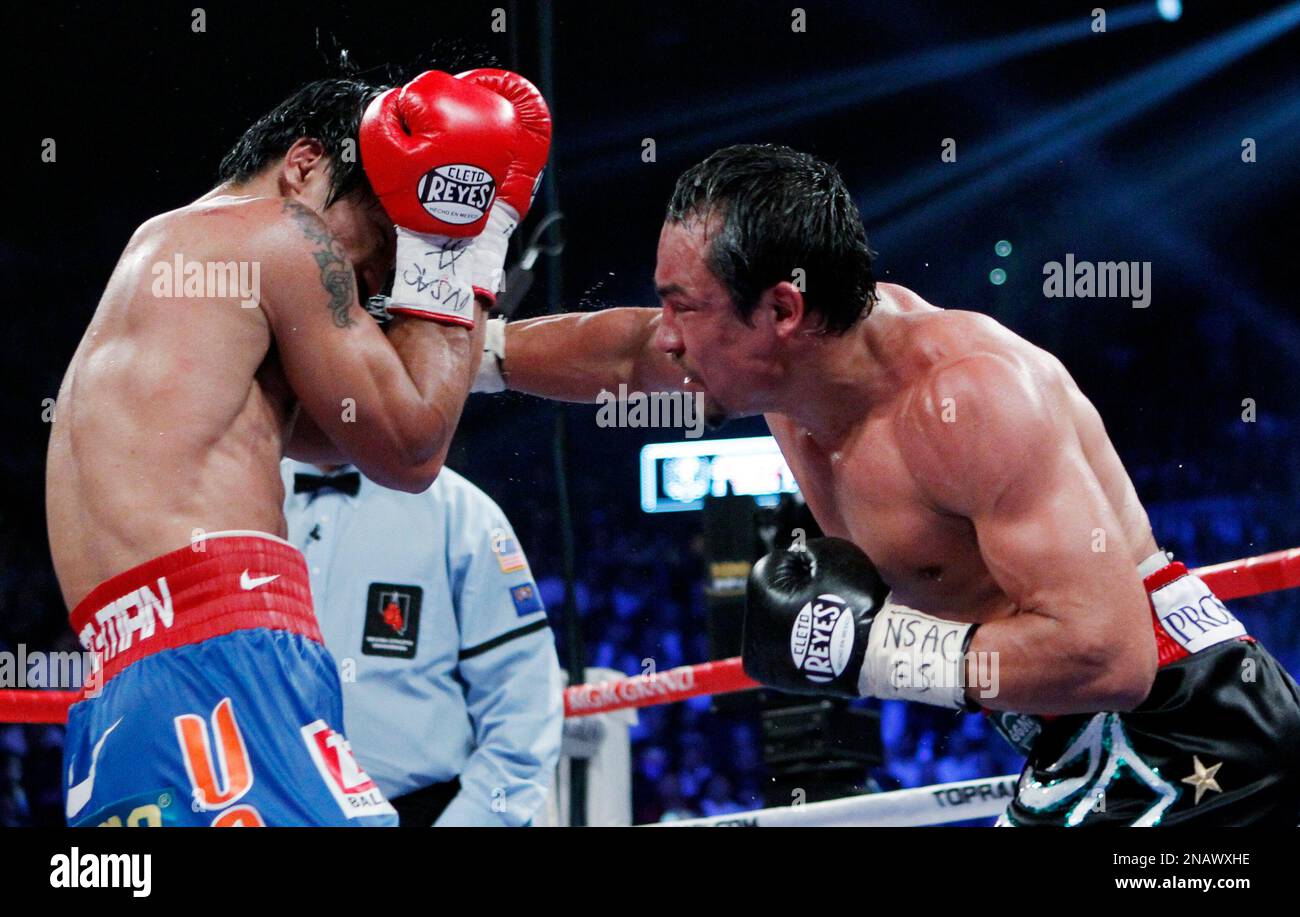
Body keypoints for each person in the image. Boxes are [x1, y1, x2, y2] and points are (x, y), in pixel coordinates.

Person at [469, 143, 1300, 825]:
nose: (670, 338)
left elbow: (1110, 657)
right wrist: (464, 356)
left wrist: (869, 652)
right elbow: (621, 351)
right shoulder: (770, 368)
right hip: (1072, 741)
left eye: (685, 308)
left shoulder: (969, 399)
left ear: (782, 311)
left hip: (1198, 736)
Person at [45, 69, 550, 826]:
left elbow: (351, 434)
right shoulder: (283, 232)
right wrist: (461, 239)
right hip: (226, 664)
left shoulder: (168, 261)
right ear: (306, 166)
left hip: (125, 698)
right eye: (382, 239)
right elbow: (412, 448)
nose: (374, 283)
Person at [282, 460, 562, 826]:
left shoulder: (463, 515)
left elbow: (524, 703)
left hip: (423, 811)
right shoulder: (240, 501)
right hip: (264, 808)